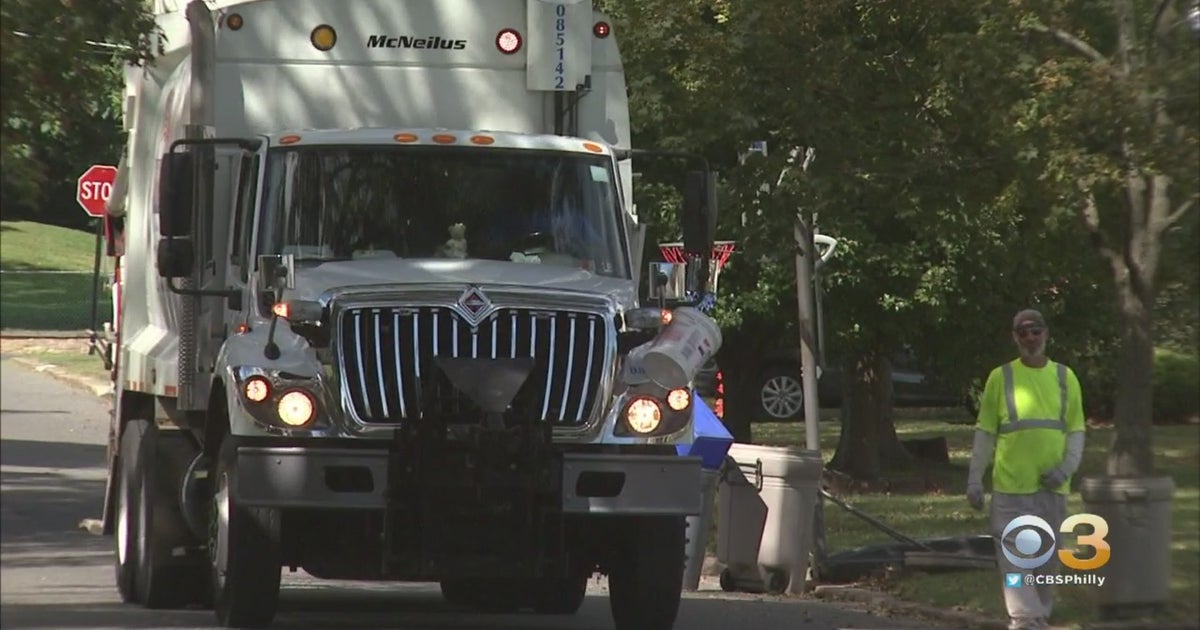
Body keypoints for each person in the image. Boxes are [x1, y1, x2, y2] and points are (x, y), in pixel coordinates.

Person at [967, 309, 1086, 630]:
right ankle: (1023, 618)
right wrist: (974, 479)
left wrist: (1066, 469)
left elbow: (1076, 431)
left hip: (1052, 487)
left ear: (1046, 333)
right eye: (1023, 332)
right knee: (1013, 554)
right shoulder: (1000, 378)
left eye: (1035, 330)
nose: (1030, 337)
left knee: (1047, 555)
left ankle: (1039, 616)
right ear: (1014, 337)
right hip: (1010, 486)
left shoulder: (1065, 378)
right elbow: (985, 433)